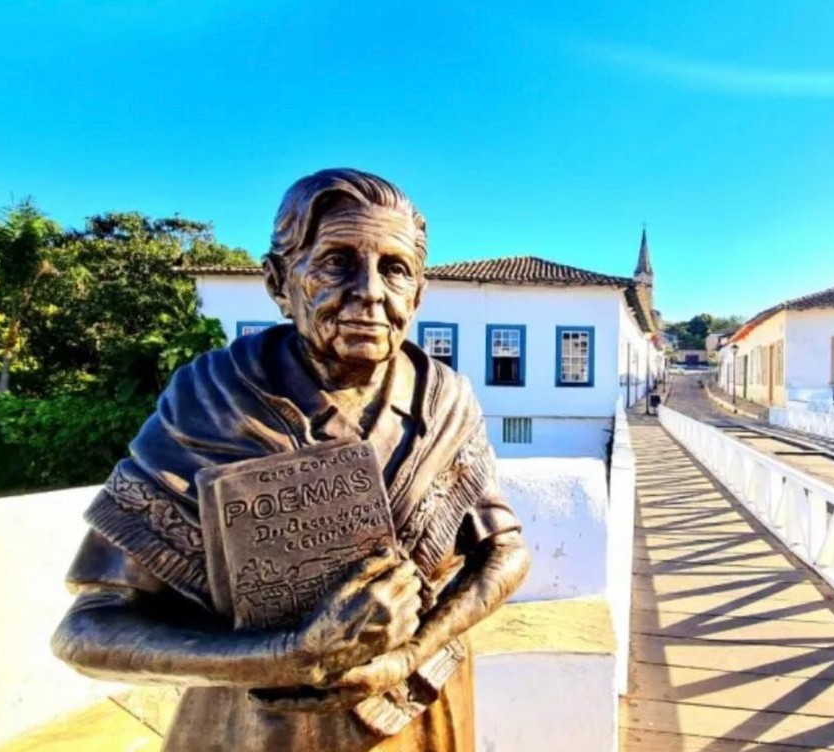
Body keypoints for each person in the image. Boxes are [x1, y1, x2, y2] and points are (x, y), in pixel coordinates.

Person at [50, 168, 531, 752]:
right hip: (259, 730)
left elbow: (503, 552)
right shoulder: (211, 404)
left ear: (419, 293)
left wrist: (407, 653)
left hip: (417, 713)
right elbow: (87, 629)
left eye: (395, 269)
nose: (371, 292)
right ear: (279, 281)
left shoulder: (447, 400)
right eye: (336, 262)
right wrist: (289, 655)